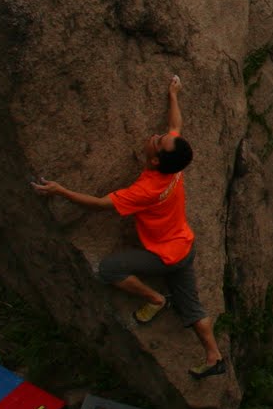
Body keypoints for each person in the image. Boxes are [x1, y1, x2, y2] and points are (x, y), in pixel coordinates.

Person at [32, 74, 225, 379]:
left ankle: (155, 298)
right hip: (184, 246)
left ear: (155, 161)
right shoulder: (175, 166)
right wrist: (173, 94)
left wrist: (60, 191)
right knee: (192, 309)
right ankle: (214, 356)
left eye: (157, 142)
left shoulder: (146, 189)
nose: (155, 136)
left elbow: (98, 204)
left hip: (163, 255)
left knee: (110, 269)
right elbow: (176, 127)